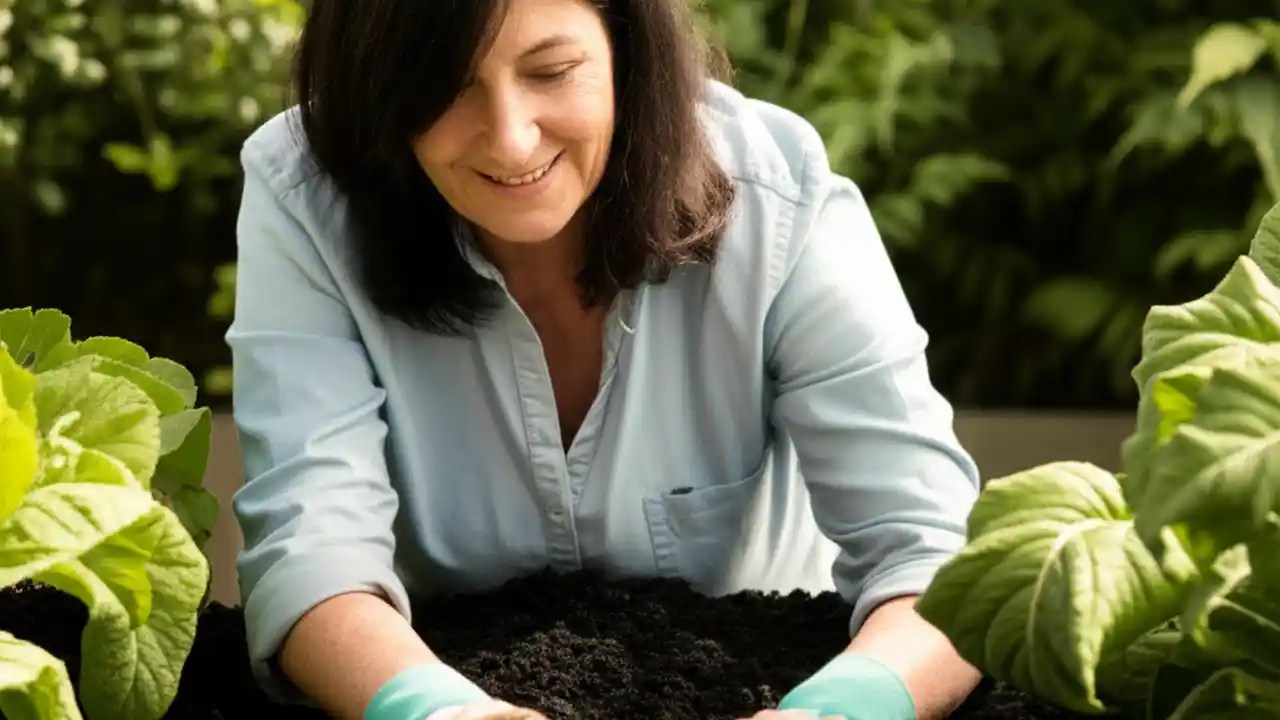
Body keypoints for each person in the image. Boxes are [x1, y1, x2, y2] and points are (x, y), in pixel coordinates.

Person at [226, 0, 985, 718]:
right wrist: (435, 707)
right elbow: (310, 550)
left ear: (626, 48)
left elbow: (941, 557)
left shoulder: (777, 193)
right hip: (430, 670)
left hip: (774, 677)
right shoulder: (307, 197)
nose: (512, 138)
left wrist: (842, 707)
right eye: (445, 85)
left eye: (552, 72)